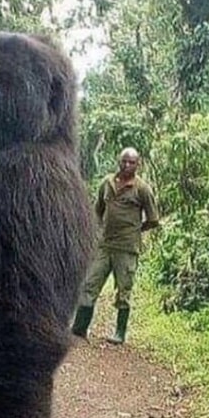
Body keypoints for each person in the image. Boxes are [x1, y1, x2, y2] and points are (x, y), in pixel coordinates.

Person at [73, 146, 159, 344]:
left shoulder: (142, 189)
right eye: (124, 161)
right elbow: (97, 211)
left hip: (127, 249)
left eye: (132, 162)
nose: (127, 165)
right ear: (118, 161)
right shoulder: (107, 183)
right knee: (89, 285)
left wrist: (135, 230)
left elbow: (153, 219)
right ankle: (79, 328)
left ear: (138, 165)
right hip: (104, 246)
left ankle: (119, 333)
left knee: (124, 290)